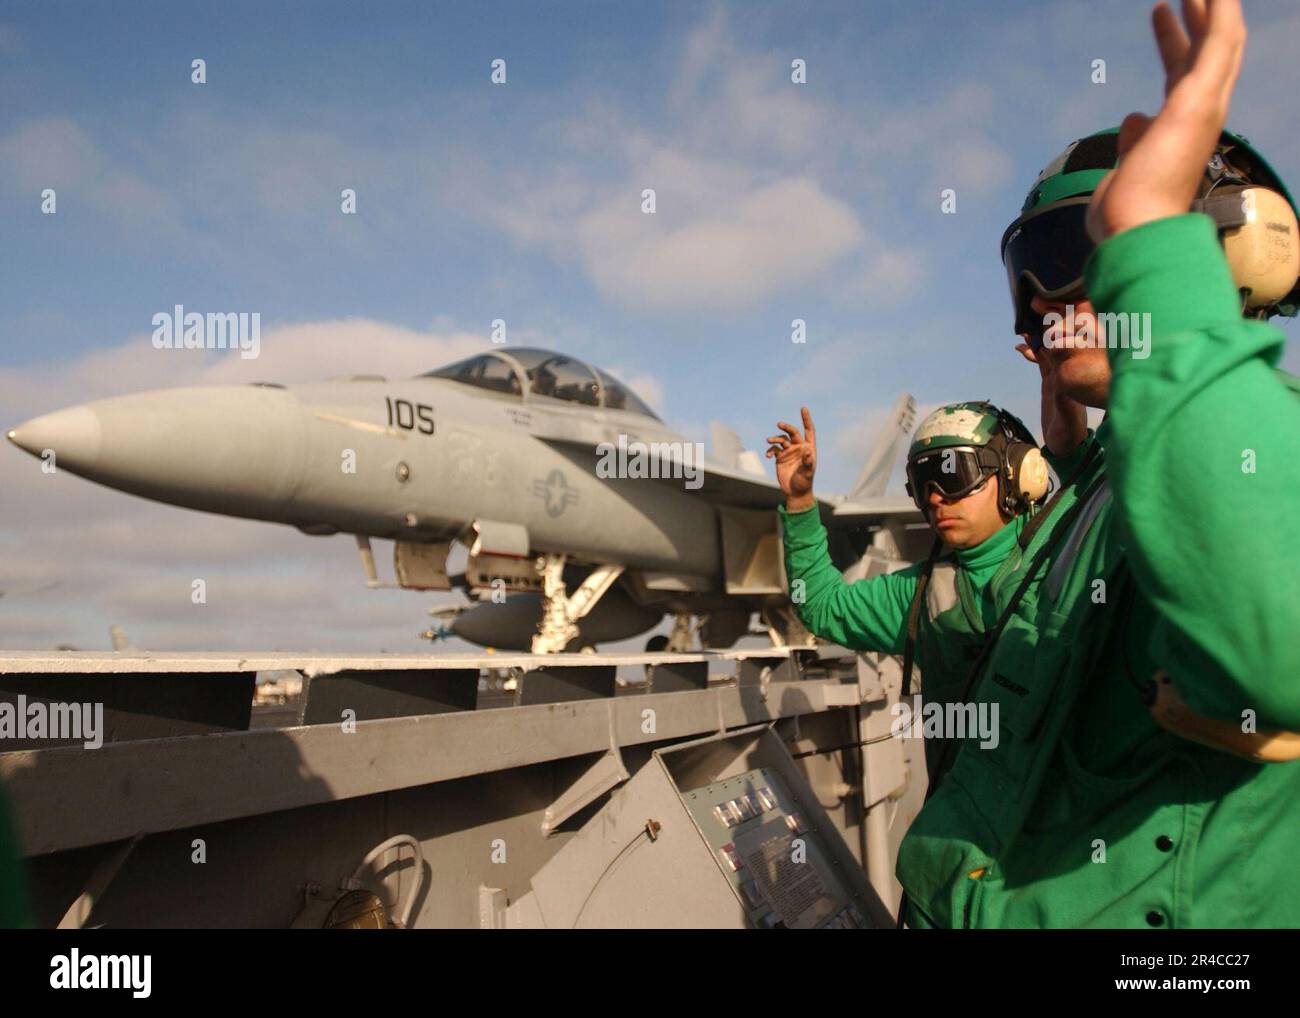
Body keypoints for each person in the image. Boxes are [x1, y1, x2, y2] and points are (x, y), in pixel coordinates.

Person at [895, 0, 1300, 928]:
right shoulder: (1108, 485)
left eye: (1084, 252)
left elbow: (1280, 657)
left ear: (1215, 251)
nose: (1045, 301)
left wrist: (1154, 254)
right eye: (1027, 275)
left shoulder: (1271, 446)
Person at [767, 401, 1048, 778]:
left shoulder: (1071, 563)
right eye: (922, 482)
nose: (935, 497)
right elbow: (818, 604)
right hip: (962, 810)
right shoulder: (924, 595)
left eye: (954, 473)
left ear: (1018, 474)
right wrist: (800, 502)